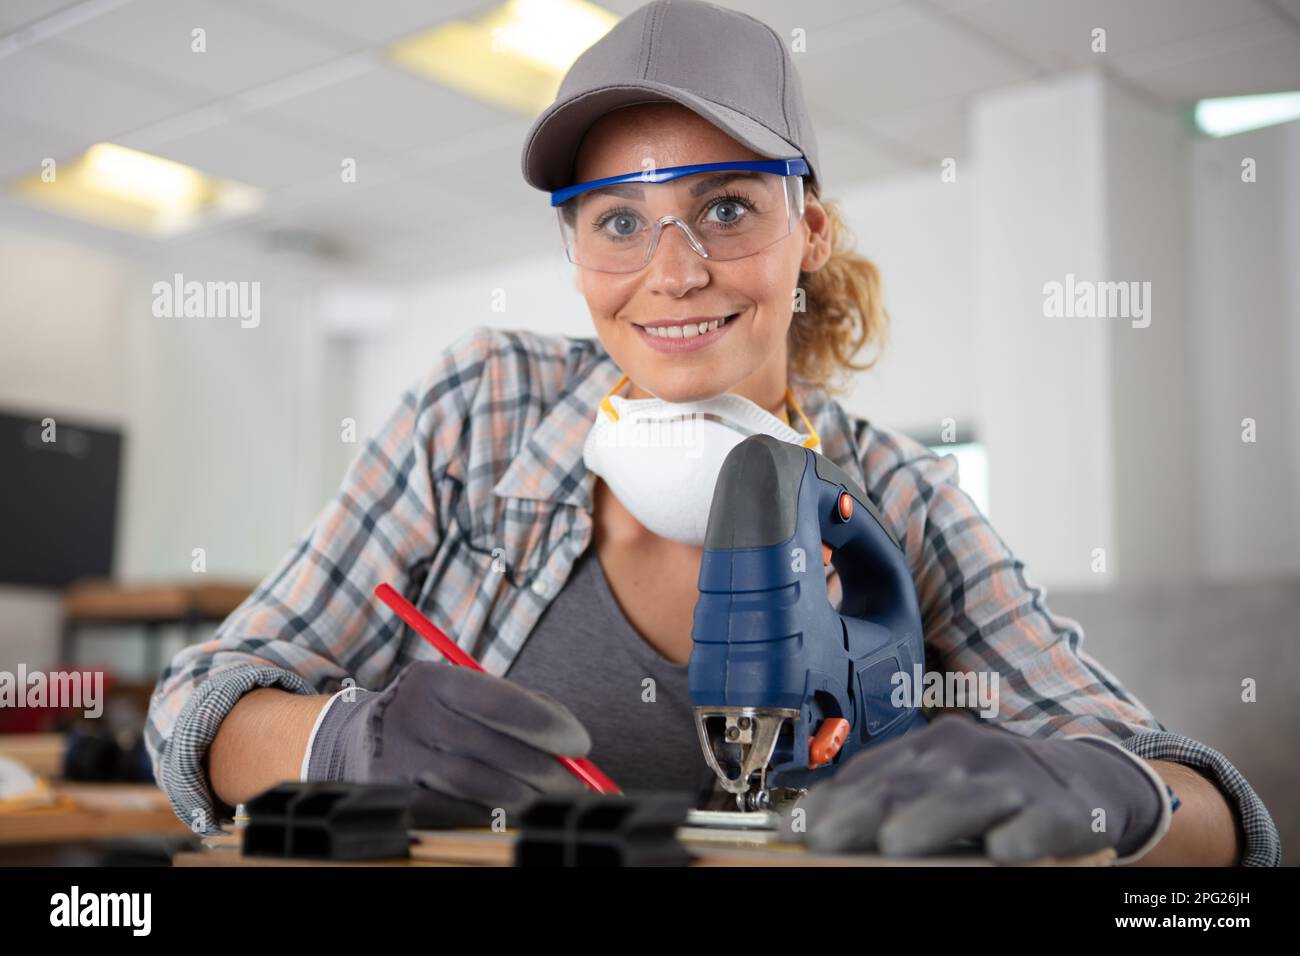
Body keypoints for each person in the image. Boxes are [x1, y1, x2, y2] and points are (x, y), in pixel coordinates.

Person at [143, 0, 1278, 865]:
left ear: (811, 229)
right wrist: (347, 739)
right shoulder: (478, 411)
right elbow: (200, 701)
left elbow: (1218, 811)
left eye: (726, 207)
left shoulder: (904, 494)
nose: (673, 271)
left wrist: (1101, 788)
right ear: (574, 251)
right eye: (620, 221)